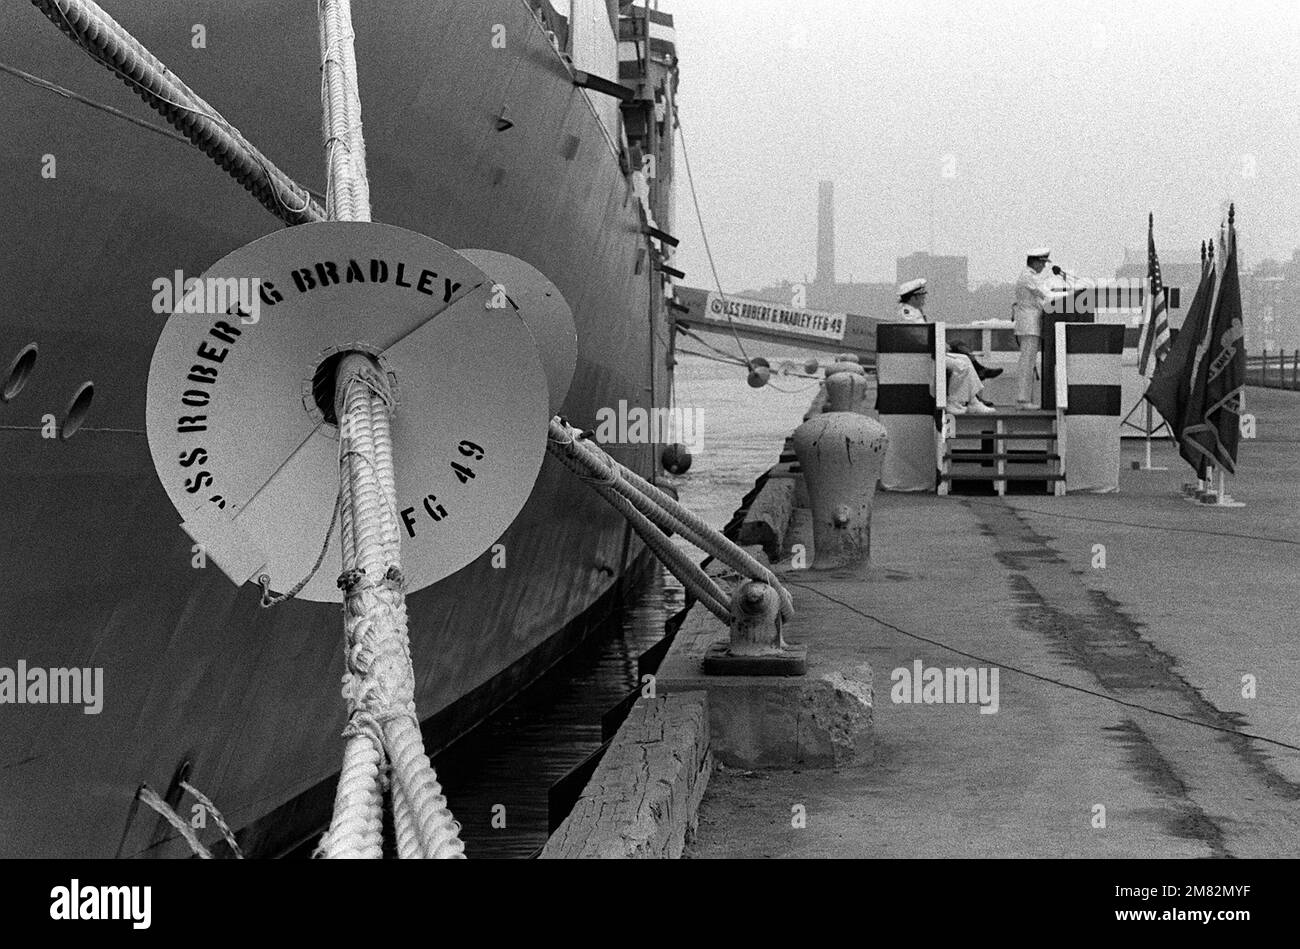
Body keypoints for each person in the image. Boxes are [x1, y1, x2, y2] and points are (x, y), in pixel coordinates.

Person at [896, 278, 995, 414]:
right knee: (960, 366)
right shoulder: (908, 313)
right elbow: (920, 336)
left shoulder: (914, 312)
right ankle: (953, 402)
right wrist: (941, 345)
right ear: (914, 297)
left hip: (928, 353)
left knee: (965, 360)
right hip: (921, 356)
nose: (924, 299)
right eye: (921, 296)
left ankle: (973, 401)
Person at [1011, 247, 1061, 407]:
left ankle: (1024, 399)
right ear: (1036, 262)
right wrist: (1072, 294)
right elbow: (1046, 295)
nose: (1044, 267)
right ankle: (1022, 399)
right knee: (1027, 362)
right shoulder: (1028, 277)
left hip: (1030, 323)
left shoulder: (1029, 276)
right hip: (1029, 324)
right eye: (1043, 263)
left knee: (1028, 361)